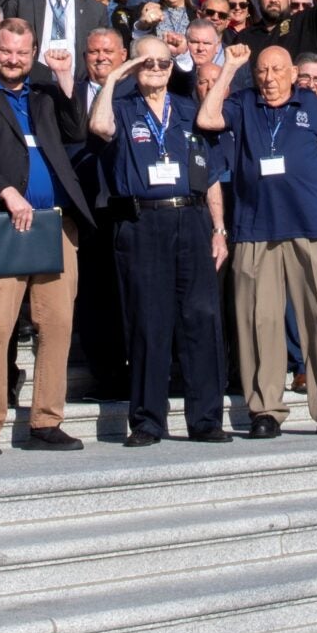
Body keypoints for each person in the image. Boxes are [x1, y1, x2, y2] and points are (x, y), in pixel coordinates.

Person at [197, 44, 317, 438]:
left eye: (277, 70)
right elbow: (207, 117)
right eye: (262, 71)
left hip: (312, 226)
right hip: (256, 229)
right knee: (259, 320)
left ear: (292, 73)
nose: (269, 79)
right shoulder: (242, 103)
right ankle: (265, 410)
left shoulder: (313, 107)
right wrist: (232, 66)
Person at [0, 17, 95, 454]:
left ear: (32, 55)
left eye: (21, 53)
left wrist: (66, 75)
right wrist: (5, 191)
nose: (13, 60)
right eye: (6, 51)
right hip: (5, 222)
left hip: (55, 223)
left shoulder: (46, 95)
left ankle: (46, 422)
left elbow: (77, 130)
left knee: (57, 325)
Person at [88, 38, 236, 445]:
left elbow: (210, 177)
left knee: (201, 319)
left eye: (164, 62)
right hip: (141, 221)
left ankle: (205, 418)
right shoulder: (121, 106)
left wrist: (219, 229)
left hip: (191, 218)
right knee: (148, 323)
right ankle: (148, 420)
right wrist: (116, 74)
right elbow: (99, 127)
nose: (156, 67)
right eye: (147, 61)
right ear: (135, 64)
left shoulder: (188, 110)